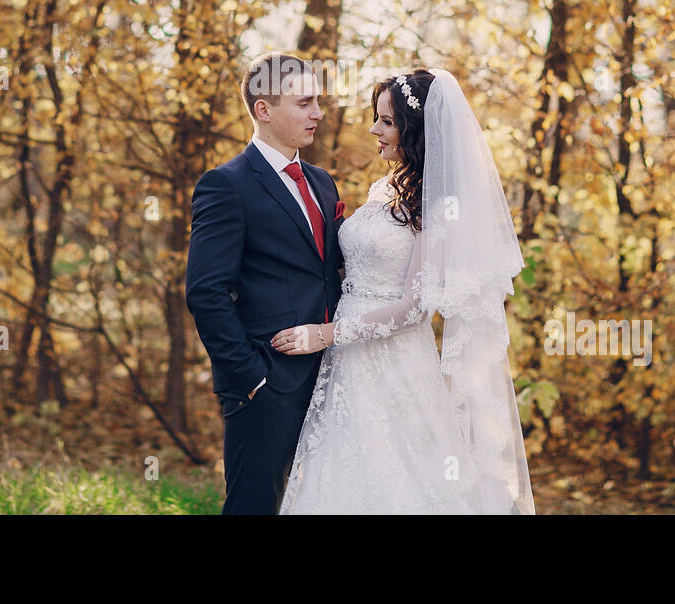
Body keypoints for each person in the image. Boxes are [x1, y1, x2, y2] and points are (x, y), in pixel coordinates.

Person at [275, 67, 536, 514]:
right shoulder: (385, 188)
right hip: (347, 363)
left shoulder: (440, 204)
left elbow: (414, 308)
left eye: (387, 122)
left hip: (392, 363)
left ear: (414, 130)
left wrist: (326, 334)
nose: (374, 129)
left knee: (399, 481)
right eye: (376, 118)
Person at [184, 52, 345, 514]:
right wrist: (250, 375)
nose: (317, 113)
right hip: (266, 385)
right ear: (264, 110)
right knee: (254, 506)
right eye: (304, 103)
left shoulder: (322, 182)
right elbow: (206, 292)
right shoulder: (226, 185)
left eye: (318, 101)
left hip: (332, 377)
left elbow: (328, 273)